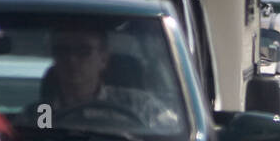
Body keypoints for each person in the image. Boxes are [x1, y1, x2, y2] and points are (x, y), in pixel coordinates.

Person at [29, 25, 179, 132]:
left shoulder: (140, 106)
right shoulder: (40, 114)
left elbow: (175, 139)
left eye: (83, 51)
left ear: (103, 59)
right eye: (62, 51)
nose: (71, 60)